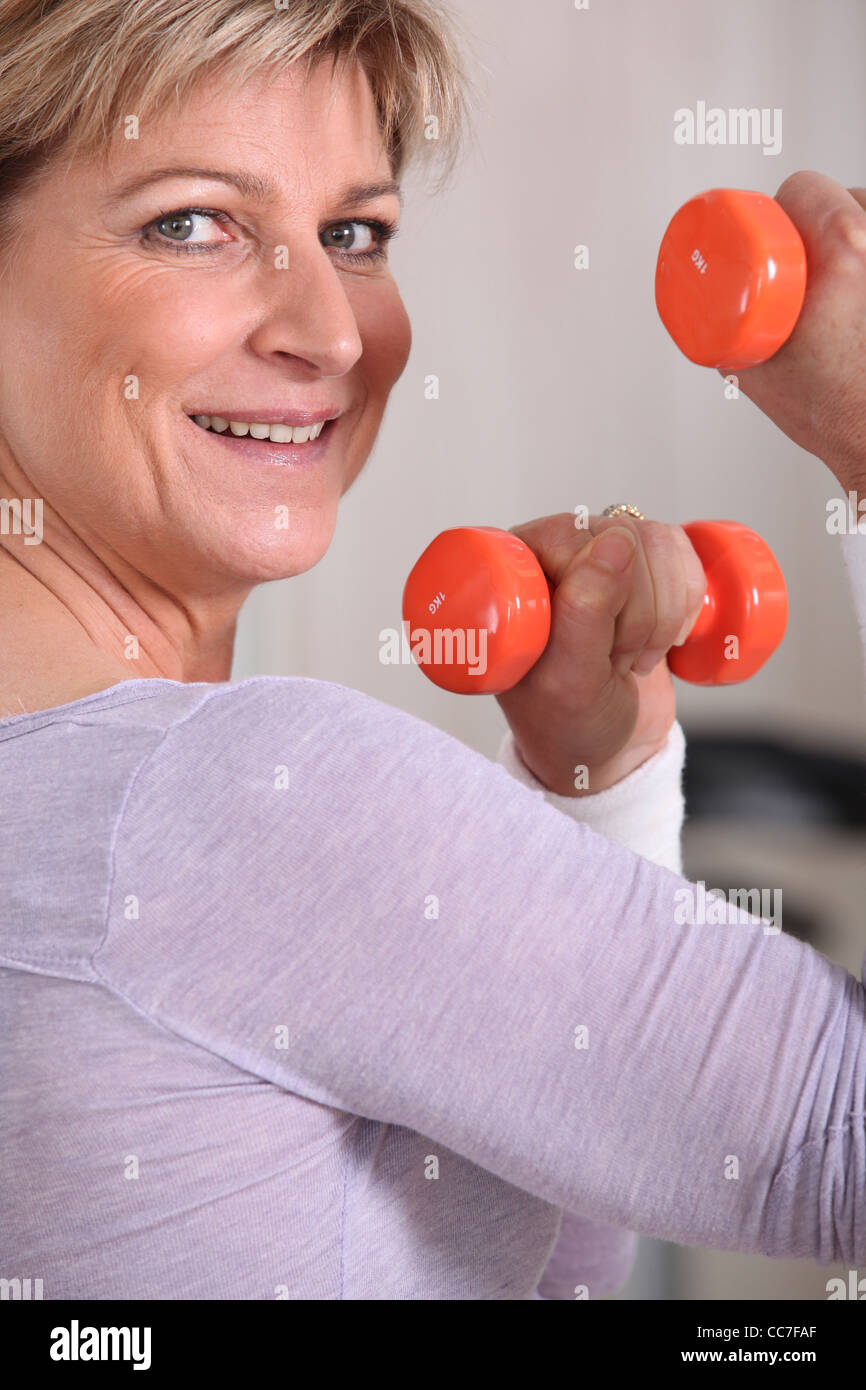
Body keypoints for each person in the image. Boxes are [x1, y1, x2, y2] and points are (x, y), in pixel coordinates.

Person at [0, 0, 864, 1301]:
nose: (332, 331)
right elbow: (837, 1146)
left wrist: (599, 787)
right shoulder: (244, 794)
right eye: (191, 222)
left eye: (353, 234)